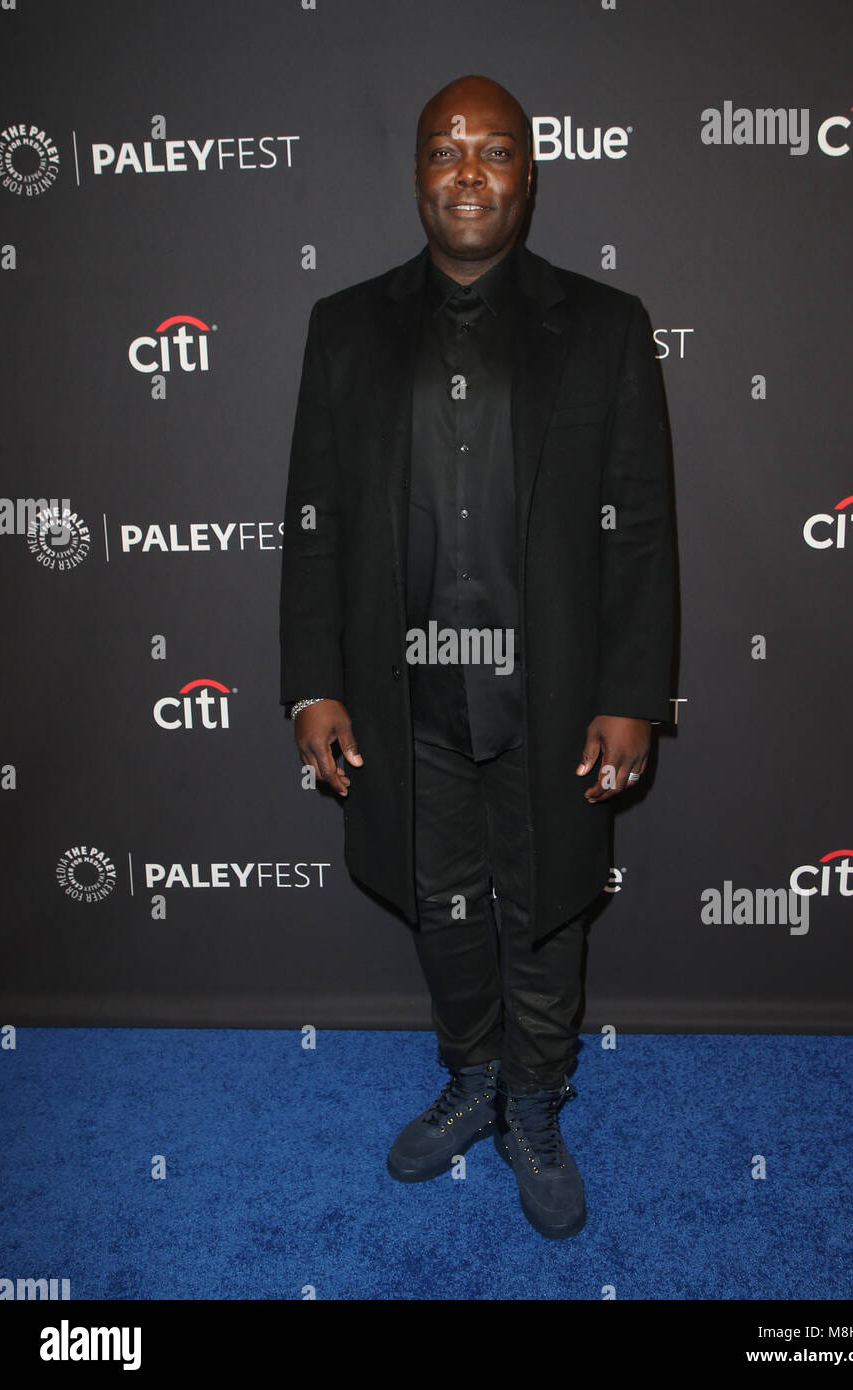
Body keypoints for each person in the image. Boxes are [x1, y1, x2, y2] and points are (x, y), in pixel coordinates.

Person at [279, 74, 677, 1239]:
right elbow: (313, 520)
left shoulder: (605, 326)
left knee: (546, 908)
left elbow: (640, 530)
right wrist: (314, 681)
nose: (466, 169)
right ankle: (474, 1075)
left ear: (527, 178)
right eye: (445, 149)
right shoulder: (343, 327)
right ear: (416, 172)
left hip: (551, 697)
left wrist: (628, 696)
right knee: (445, 906)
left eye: (492, 150)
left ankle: (537, 1106)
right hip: (406, 698)